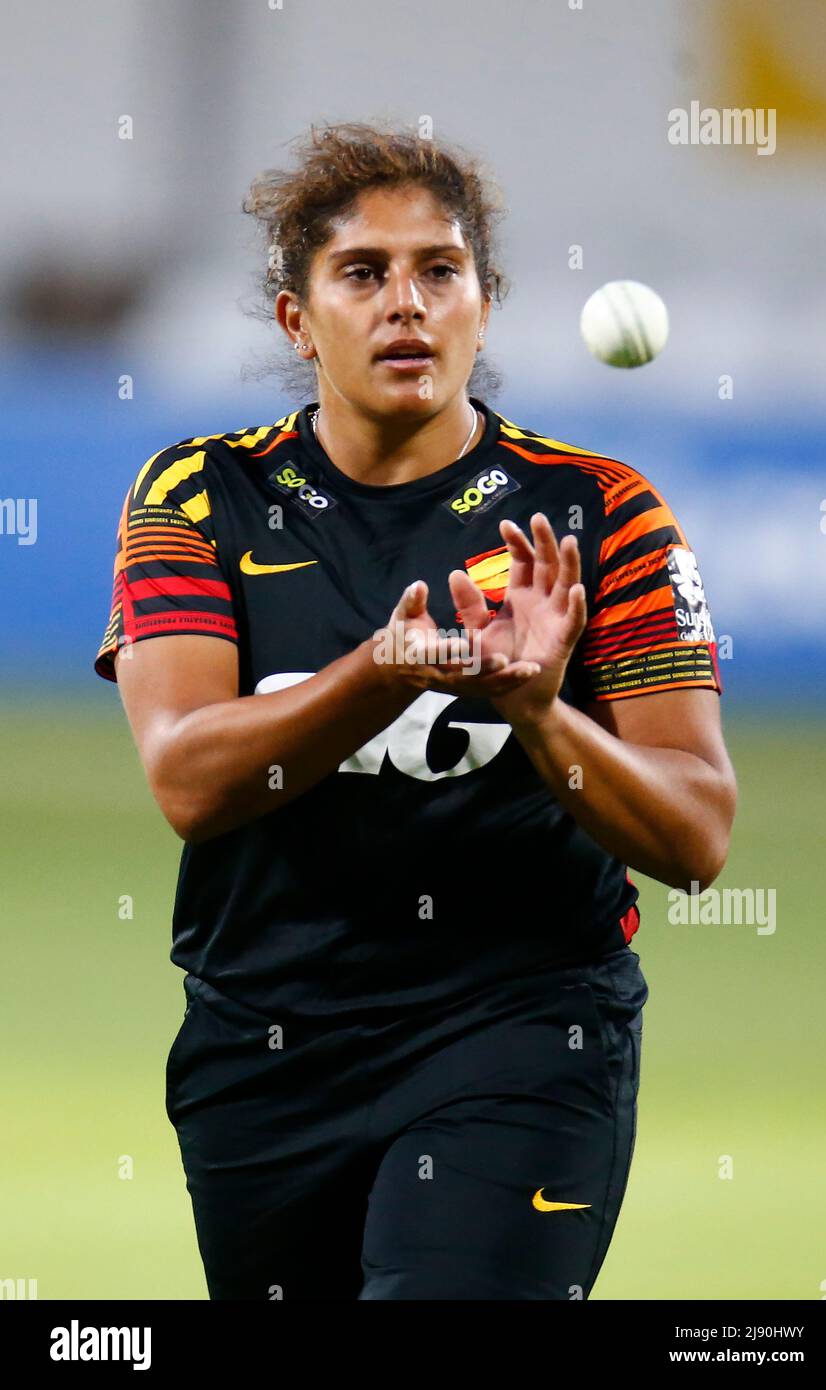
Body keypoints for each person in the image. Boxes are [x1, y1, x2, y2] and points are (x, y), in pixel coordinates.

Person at [94, 122, 736, 1301]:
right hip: (266, 1045)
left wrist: (541, 713)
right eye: (362, 273)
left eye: (439, 270)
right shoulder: (200, 495)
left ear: (482, 305)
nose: (406, 302)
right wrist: (377, 674)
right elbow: (189, 781)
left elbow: (695, 840)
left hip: (520, 1031)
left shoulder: (601, 515)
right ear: (297, 320)